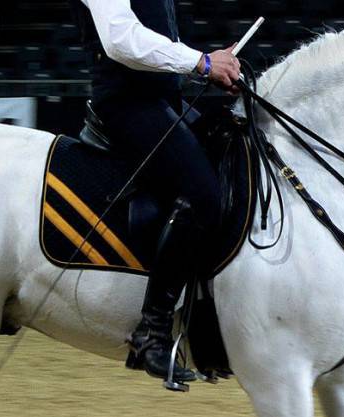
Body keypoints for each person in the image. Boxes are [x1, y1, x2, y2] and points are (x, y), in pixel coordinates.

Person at [72, 0, 240, 385]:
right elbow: (120, 40)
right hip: (126, 106)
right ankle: (153, 329)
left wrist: (210, 69)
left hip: (164, 100)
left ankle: (206, 324)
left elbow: (160, 40)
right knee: (202, 197)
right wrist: (202, 63)